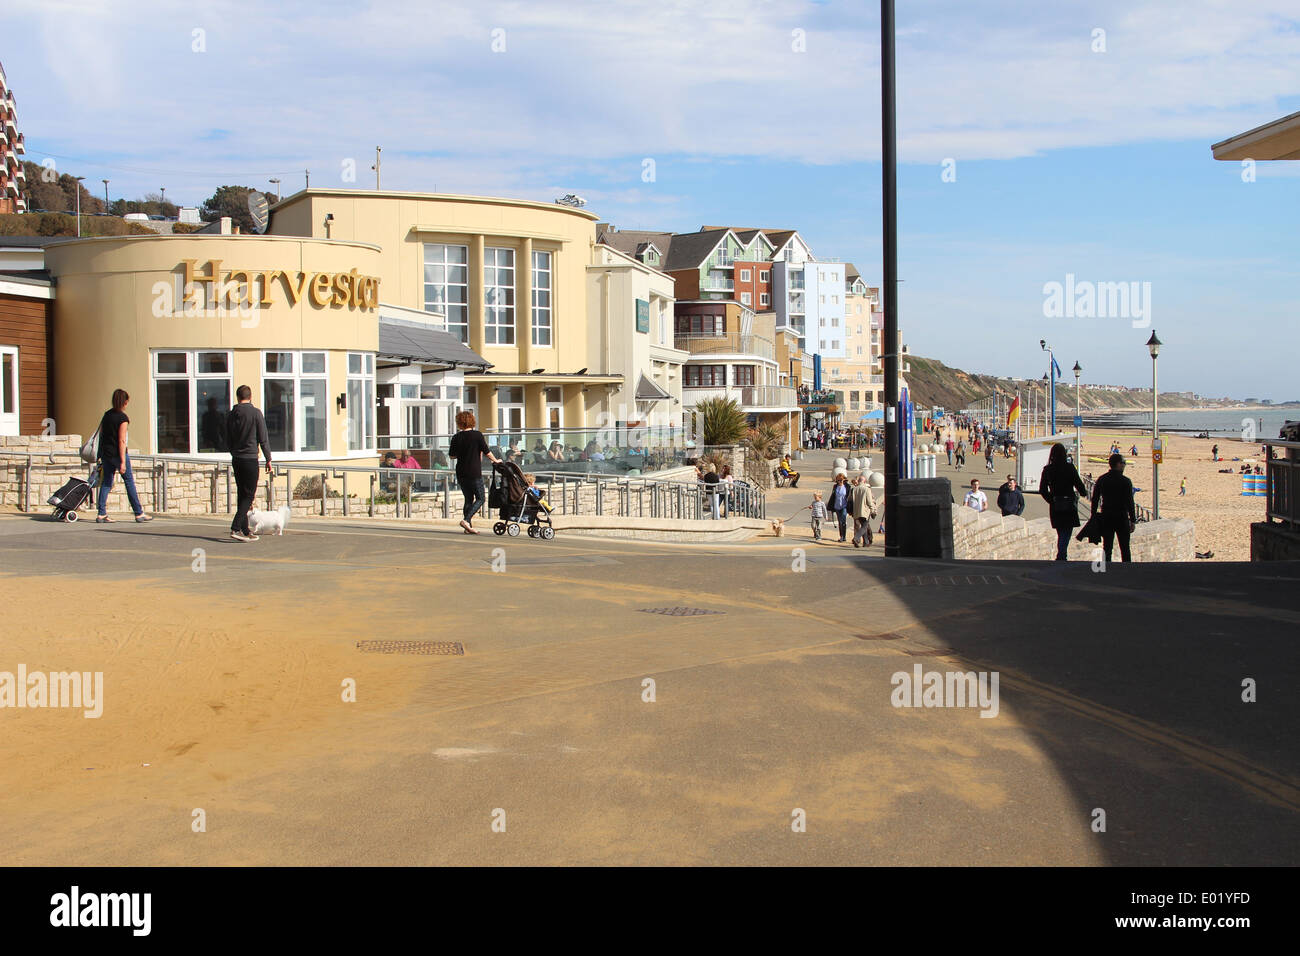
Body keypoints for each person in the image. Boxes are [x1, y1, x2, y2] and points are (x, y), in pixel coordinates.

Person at [94, 388, 152, 524]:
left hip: (106, 454)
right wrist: (123, 461)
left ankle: (101, 513)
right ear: (125, 402)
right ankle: (139, 513)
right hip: (117, 454)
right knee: (129, 482)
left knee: (107, 482)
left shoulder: (107, 415)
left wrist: (100, 454)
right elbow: (121, 440)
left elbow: (101, 435)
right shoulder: (123, 418)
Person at [226, 384, 272, 542]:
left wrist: (233, 451)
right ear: (250, 396)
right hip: (250, 458)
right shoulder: (256, 413)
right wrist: (268, 459)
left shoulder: (232, 414)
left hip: (237, 459)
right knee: (249, 495)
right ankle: (235, 528)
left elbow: (227, 436)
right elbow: (263, 438)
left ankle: (245, 531)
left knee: (242, 494)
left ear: (238, 397)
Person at [448, 410, 500, 534]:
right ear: (472, 421)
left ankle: (468, 526)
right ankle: (466, 520)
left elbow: (452, 456)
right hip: (474, 471)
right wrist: (496, 461)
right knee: (481, 498)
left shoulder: (456, 437)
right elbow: (487, 452)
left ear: (459, 423)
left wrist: (463, 452)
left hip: (461, 471)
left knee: (468, 498)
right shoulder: (477, 435)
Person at [1039, 442, 1088, 560]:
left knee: (1061, 531)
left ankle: (1062, 553)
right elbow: (1079, 484)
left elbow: (1042, 489)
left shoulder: (1048, 469)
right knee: (1066, 531)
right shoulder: (1069, 468)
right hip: (1069, 503)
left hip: (1056, 504)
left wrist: (1051, 500)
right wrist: (1083, 493)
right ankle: (1062, 555)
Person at [1090, 453, 1137, 563]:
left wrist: (1093, 515)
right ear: (1118, 464)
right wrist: (1133, 520)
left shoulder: (1102, 479)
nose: (1125, 465)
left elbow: (1095, 499)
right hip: (1121, 517)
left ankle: (1107, 569)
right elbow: (1130, 502)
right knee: (1125, 547)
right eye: (1123, 463)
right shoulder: (1125, 481)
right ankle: (1126, 570)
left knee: (1107, 547)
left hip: (1107, 516)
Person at [850, 473, 877, 548]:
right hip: (864, 511)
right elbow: (869, 501)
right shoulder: (866, 489)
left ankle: (866, 542)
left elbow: (850, 500)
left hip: (856, 511)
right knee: (864, 526)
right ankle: (856, 538)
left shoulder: (854, 489)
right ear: (864, 481)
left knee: (863, 526)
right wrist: (873, 510)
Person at [827, 472, 851, 542]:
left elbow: (849, 496)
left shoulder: (847, 486)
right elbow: (833, 496)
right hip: (837, 506)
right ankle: (842, 536)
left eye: (841, 480)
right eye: (838, 480)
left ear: (844, 480)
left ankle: (844, 536)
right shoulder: (835, 486)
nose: (839, 481)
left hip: (844, 506)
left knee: (843, 519)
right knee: (840, 522)